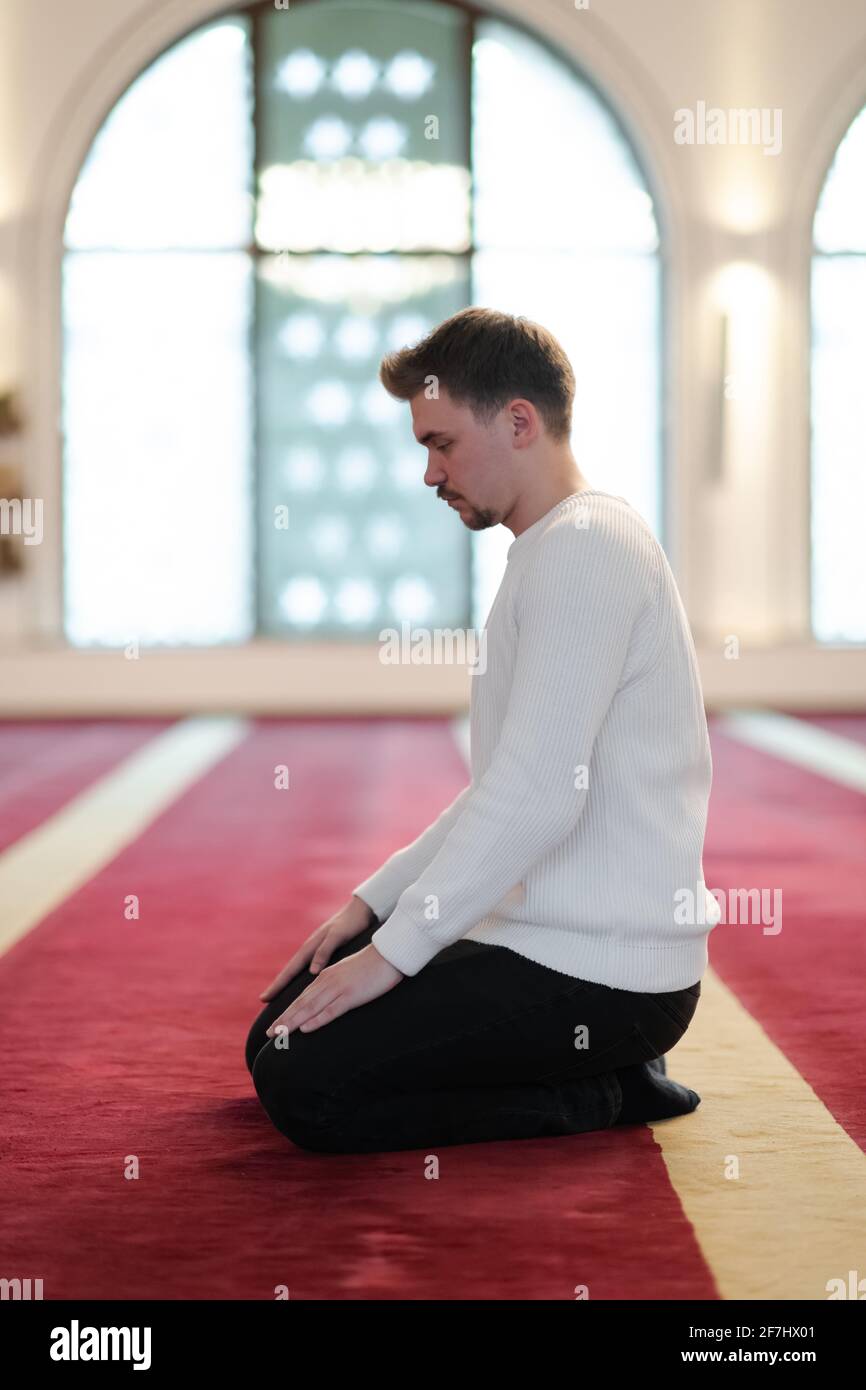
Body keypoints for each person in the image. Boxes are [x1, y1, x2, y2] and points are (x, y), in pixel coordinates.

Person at [245, 307, 720, 1153]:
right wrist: (370, 909)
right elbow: (504, 785)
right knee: (281, 1030)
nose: (430, 472)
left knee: (304, 1086)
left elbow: (539, 797)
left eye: (442, 443)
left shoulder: (589, 548)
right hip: (549, 949)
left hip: (608, 978)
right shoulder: (550, 548)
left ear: (519, 421)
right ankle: (584, 1073)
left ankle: (602, 1091)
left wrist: (396, 953)